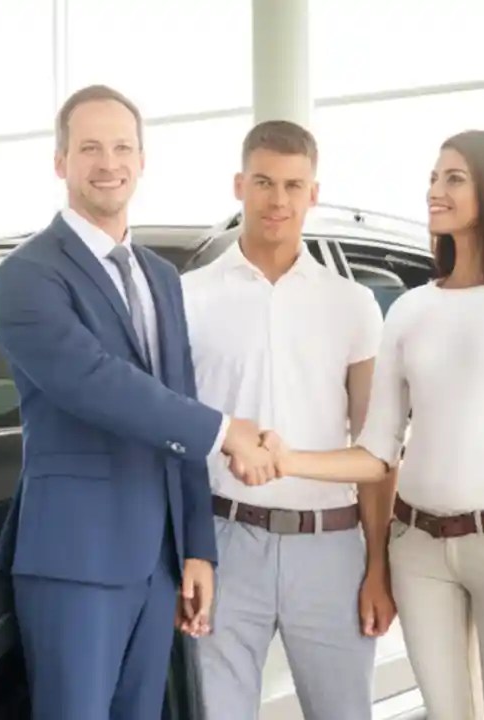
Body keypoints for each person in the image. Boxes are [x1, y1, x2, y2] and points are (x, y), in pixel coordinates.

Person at [262, 129, 484, 720]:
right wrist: (289, 460)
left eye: (453, 178)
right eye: (434, 178)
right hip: (419, 550)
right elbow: (378, 450)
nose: (435, 191)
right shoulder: (411, 309)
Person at [0, 84, 275, 720]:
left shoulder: (160, 276)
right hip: (76, 557)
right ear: (60, 161)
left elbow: (178, 403)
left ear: (142, 161)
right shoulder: (27, 275)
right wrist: (227, 431)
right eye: (89, 147)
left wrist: (196, 545)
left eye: (122, 147)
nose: (107, 161)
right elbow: (95, 382)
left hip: (159, 563)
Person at [183, 120, 397, 720]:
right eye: (264, 182)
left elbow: (379, 451)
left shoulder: (351, 305)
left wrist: (377, 565)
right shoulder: (188, 297)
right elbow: (171, 438)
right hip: (223, 541)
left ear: (313, 193)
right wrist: (187, 551)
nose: (278, 200)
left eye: (293, 185)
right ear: (239, 185)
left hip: (331, 548)